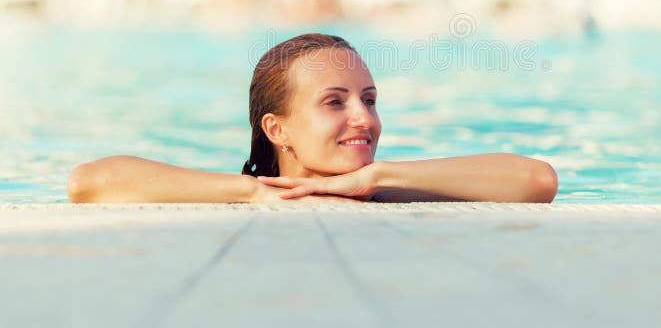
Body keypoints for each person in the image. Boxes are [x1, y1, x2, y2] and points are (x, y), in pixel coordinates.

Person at [67, 34, 558, 203]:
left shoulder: (382, 186)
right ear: (277, 130)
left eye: (369, 99)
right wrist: (251, 190)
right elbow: (89, 182)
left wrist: (378, 178)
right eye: (335, 102)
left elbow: (536, 179)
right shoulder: (245, 195)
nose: (363, 118)